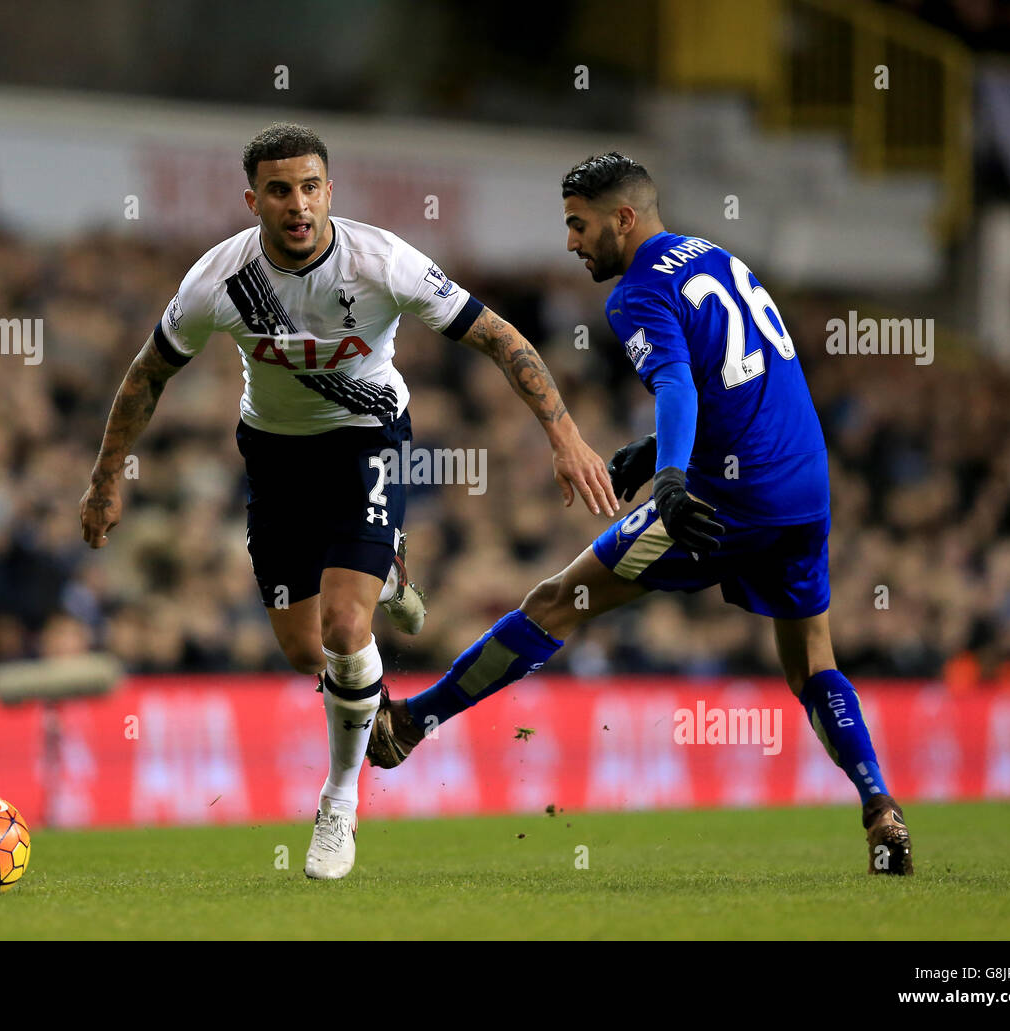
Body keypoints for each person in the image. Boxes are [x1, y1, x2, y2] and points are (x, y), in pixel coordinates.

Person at [79, 124, 616, 880]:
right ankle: (388, 574)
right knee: (309, 652)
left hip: (367, 438)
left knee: (342, 627)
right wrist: (106, 478)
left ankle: (338, 801)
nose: (296, 204)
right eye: (278, 190)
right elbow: (146, 375)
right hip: (272, 456)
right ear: (253, 199)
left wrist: (565, 437)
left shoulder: (382, 262)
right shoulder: (219, 280)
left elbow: (498, 337)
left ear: (330, 190)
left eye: (309, 187)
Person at [366, 152, 914, 876]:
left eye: (578, 224)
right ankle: (880, 805)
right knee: (814, 660)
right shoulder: (719, 259)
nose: (570, 241)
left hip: (730, 495)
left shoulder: (637, 292)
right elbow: (746, 381)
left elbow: (679, 384)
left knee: (557, 601)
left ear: (624, 219)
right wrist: (655, 447)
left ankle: (412, 722)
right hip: (804, 490)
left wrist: (671, 476)